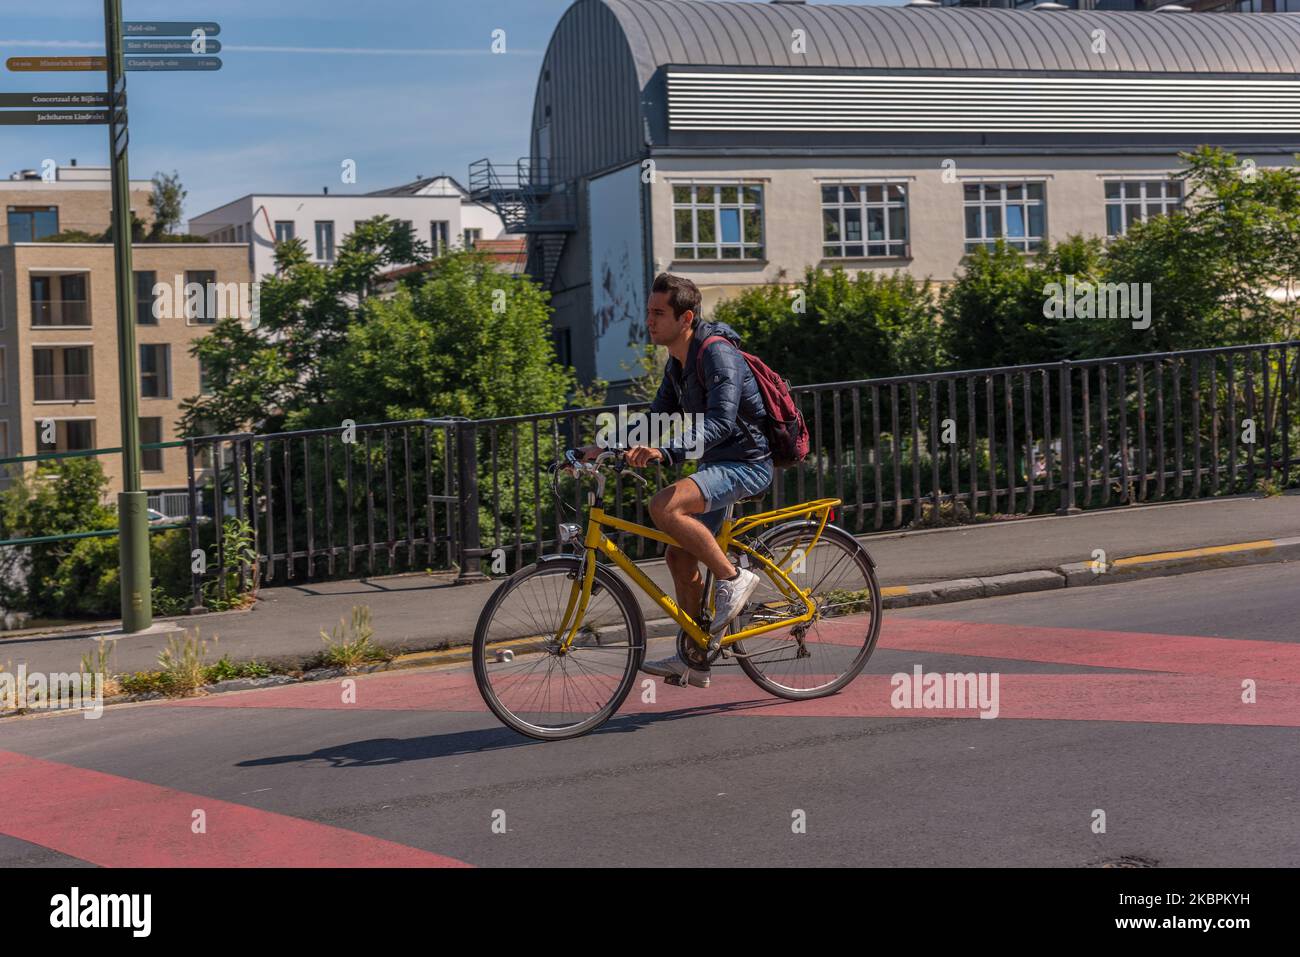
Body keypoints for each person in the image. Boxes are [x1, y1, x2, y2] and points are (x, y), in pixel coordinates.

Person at [583, 273, 772, 688]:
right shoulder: (678, 361)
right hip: (716, 465)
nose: (648, 321)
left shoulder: (717, 355)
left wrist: (667, 452)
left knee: (664, 506)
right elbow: (655, 419)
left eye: (657, 313)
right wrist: (601, 446)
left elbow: (721, 422)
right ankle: (697, 655)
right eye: (648, 312)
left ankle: (733, 578)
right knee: (679, 557)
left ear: (685, 317)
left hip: (746, 462)